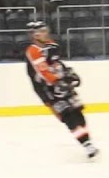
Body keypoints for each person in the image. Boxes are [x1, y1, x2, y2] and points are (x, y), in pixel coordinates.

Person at [25, 21, 99, 159]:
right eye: (42, 31)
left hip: (61, 84)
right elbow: (43, 71)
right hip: (48, 91)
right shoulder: (33, 51)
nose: (46, 33)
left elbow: (57, 63)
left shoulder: (52, 45)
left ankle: (87, 141)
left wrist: (69, 73)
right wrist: (57, 82)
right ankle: (86, 144)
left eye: (45, 30)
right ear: (35, 35)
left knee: (78, 112)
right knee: (68, 116)